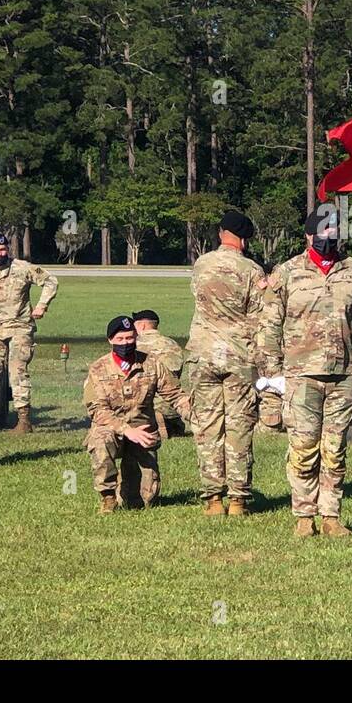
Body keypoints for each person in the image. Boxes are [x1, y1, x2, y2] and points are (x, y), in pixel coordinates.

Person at [257, 208, 352, 537]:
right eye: (320, 232)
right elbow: (269, 325)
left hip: (345, 374)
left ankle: (331, 516)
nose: (327, 238)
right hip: (300, 375)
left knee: (335, 448)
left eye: (333, 231)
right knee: (303, 446)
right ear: (308, 236)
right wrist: (272, 372)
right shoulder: (287, 273)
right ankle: (304, 516)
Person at [185, 211, 266, 517]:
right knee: (238, 427)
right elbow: (262, 316)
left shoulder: (201, 264)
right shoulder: (252, 271)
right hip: (238, 356)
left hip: (203, 354)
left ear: (222, 233)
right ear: (244, 239)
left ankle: (212, 498)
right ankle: (238, 499)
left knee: (206, 427)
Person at [83, 316, 190, 515]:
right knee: (100, 439)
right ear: (110, 340)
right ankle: (107, 496)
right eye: (121, 339)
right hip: (112, 429)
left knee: (143, 501)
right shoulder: (98, 369)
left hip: (143, 432)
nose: (126, 343)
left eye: (130, 338)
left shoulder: (151, 364)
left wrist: (196, 416)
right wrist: (126, 430)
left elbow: (175, 395)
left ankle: (129, 487)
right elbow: (97, 410)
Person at [0, 233, 59, 434]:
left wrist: (42, 305)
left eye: (3, 250)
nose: (0, 253)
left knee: (17, 371)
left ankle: (23, 420)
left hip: (21, 327)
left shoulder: (22, 268)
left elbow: (50, 281)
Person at [133, 309, 186, 438]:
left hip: (147, 404)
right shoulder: (172, 344)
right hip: (173, 403)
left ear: (142, 325)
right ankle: (170, 420)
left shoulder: (135, 344)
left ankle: (156, 419)